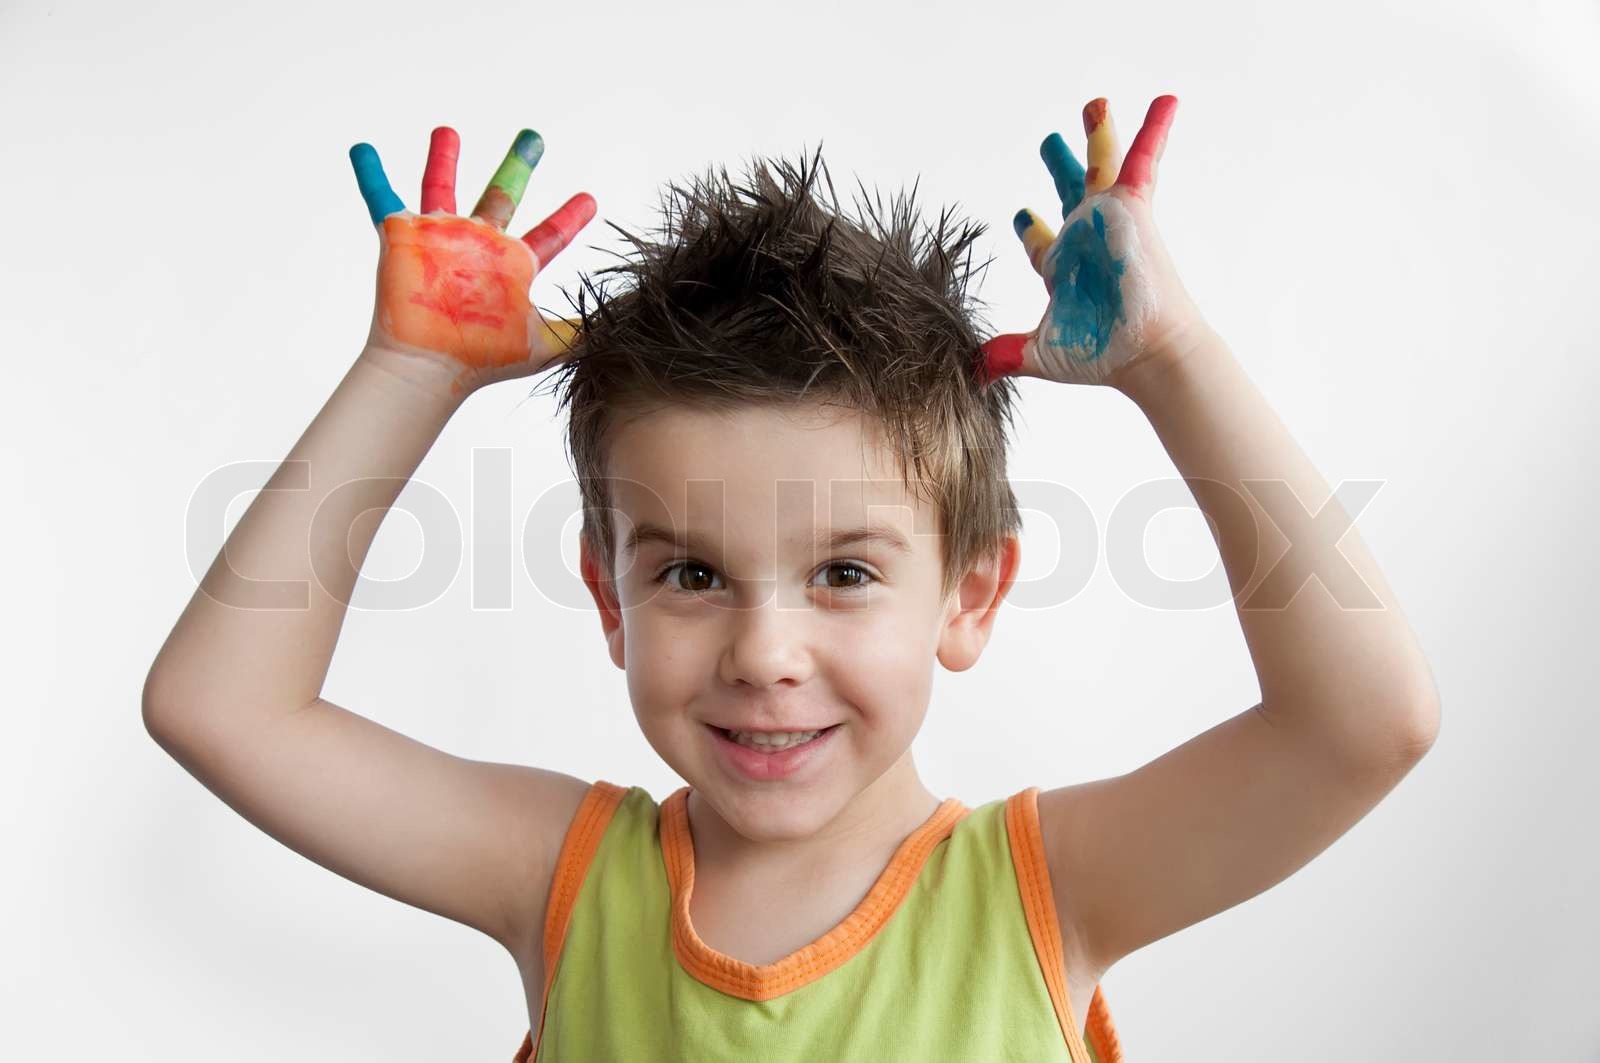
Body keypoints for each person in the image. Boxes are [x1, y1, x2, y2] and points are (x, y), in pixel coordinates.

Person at [143, 96, 1441, 1062]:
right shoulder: (562, 878)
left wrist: (1179, 362)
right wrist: (408, 372)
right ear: (611, 599)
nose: (765, 652)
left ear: (971, 596)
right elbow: (223, 709)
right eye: (696, 571)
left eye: (842, 573)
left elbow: (1364, 725)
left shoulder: (1050, 889)